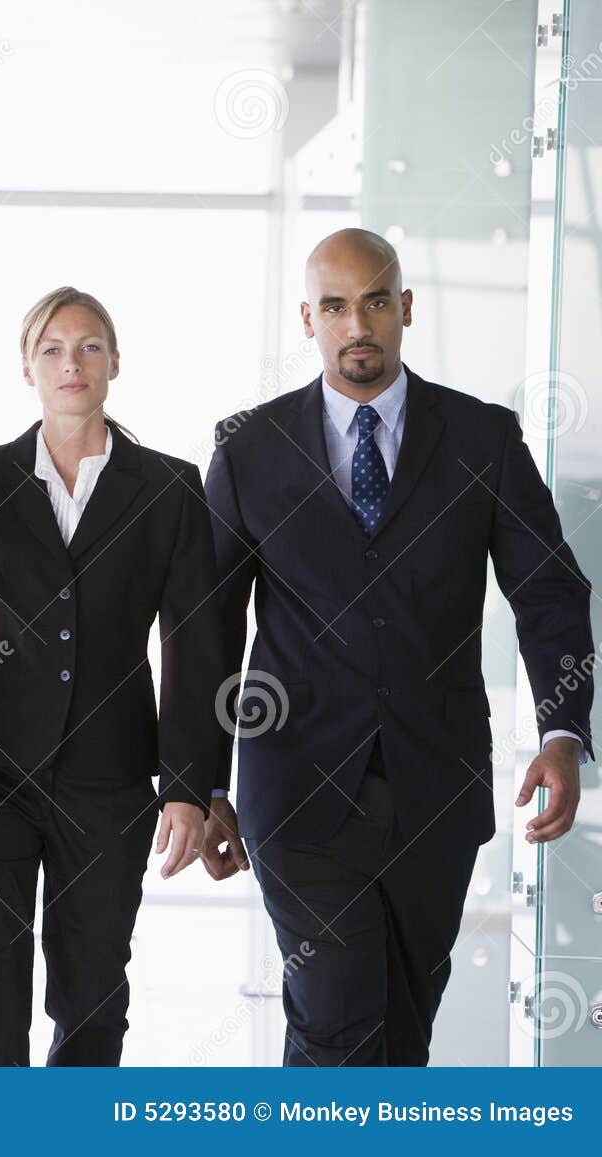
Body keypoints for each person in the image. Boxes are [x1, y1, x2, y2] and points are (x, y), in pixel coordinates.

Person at [202, 228, 593, 1065]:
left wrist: (562, 732)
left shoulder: (482, 438)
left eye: (376, 301)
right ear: (308, 318)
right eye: (336, 306)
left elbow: (548, 589)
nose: (358, 325)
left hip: (435, 793)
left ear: (406, 308)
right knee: (337, 1016)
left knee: (401, 1027)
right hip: (297, 789)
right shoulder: (248, 447)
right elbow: (205, 628)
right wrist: (198, 780)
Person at [0, 287, 223, 1065]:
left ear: (115, 363)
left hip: (111, 775)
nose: (73, 363)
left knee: (93, 995)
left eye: (90, 346)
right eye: (54, 349)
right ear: (27, 367)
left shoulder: (170, 487)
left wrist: (189, 784)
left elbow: (195, 646)